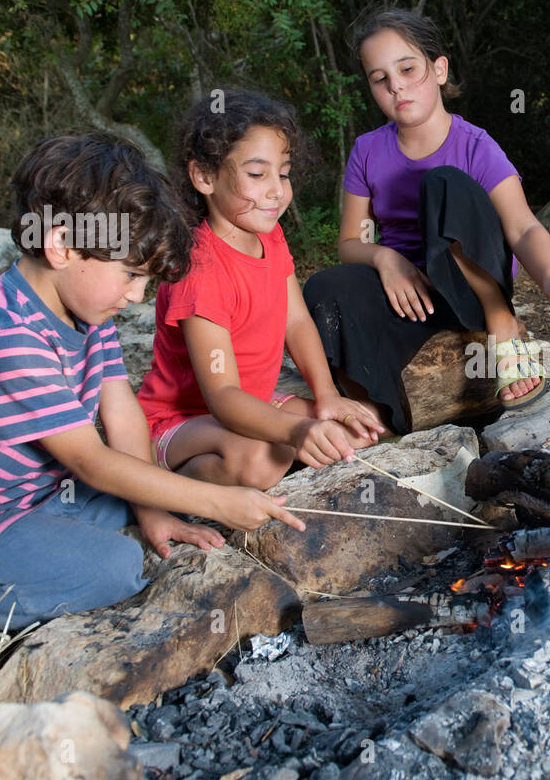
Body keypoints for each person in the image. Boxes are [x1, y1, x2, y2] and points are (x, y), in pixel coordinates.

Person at [0, 133, 306, 675]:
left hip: (32, 499)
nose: (135, 298)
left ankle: (45, 559)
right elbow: (90, 461)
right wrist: (221, 503)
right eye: (130, 275)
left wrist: (153, 510)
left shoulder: (83, 311)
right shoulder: (6, 334)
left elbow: (122, 414)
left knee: (137, 503)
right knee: (116, 568)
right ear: (61, 246)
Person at [303, 8, 550, 435]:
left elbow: (523, 227)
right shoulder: (367, 150)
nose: (396, 85)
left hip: (472, 291)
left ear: (439, 68)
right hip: (412, 297)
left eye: (407, 69)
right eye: (379, 78)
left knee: (442, 184)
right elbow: (349, 242)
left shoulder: (475, 145)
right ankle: (379, 404)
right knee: (322, 287)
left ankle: (504, 327)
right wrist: (387, 259)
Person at [136, 91, 384, 489]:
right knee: (260, 461)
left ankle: (287, 438)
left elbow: (298, 320)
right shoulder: (200, 271)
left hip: (256, 404)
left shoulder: (270, 236)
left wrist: (326, 396)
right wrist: (291, 432)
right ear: (204, 176)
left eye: (282, 173)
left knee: (359, 430)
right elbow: (222, 395)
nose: (276, 191)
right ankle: (166, 479)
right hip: (183, 421)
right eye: (256, 174)